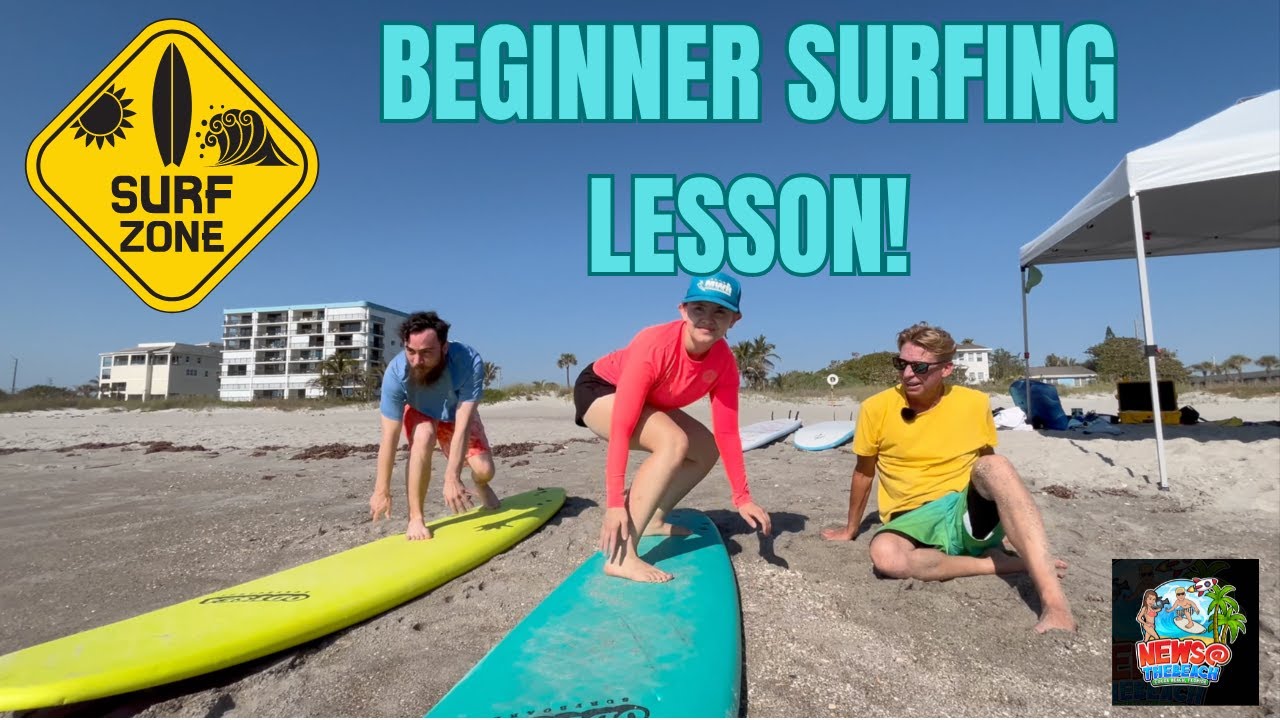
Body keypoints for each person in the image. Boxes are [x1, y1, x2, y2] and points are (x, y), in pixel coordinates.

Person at [821, 323, 1076, 633]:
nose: (907, 374)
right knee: (886, 556)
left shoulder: (973, 403)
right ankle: (1000, 564)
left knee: (997, 465)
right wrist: (850, 529)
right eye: (901, 364)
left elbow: (988, 465)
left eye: (920, 366)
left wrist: (1009, 525)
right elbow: (864, 471)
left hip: (962, 511)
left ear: (945, 369)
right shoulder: (876, 408)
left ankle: (1055, 603)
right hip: (911, 516)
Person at [574, 272, 773, 583]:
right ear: (683, 310)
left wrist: (742, 497)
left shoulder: (724, 364)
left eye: (720, 311)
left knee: (706, 449)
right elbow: (623, 427)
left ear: (735, 319)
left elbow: (727, 434)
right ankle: (622, 556)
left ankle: (653, 517)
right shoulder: (653, 344)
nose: (708, 319)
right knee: (673, 441)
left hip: (648, 400)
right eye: (699, 309)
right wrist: (614, 504)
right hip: (601, 389)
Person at [369, 311, 499, 540]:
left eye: (426, 353)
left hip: (454, 416)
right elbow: (389, 439)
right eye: (411, 352)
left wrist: (452, 476)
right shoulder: (396, 375)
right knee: (423, 436)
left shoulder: (469, 361)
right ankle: (416, 518)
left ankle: (480, 485)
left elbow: (463, 425)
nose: (417, 361)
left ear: (444, 347)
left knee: (485, 471)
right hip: (420, 411)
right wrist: (382, 490)